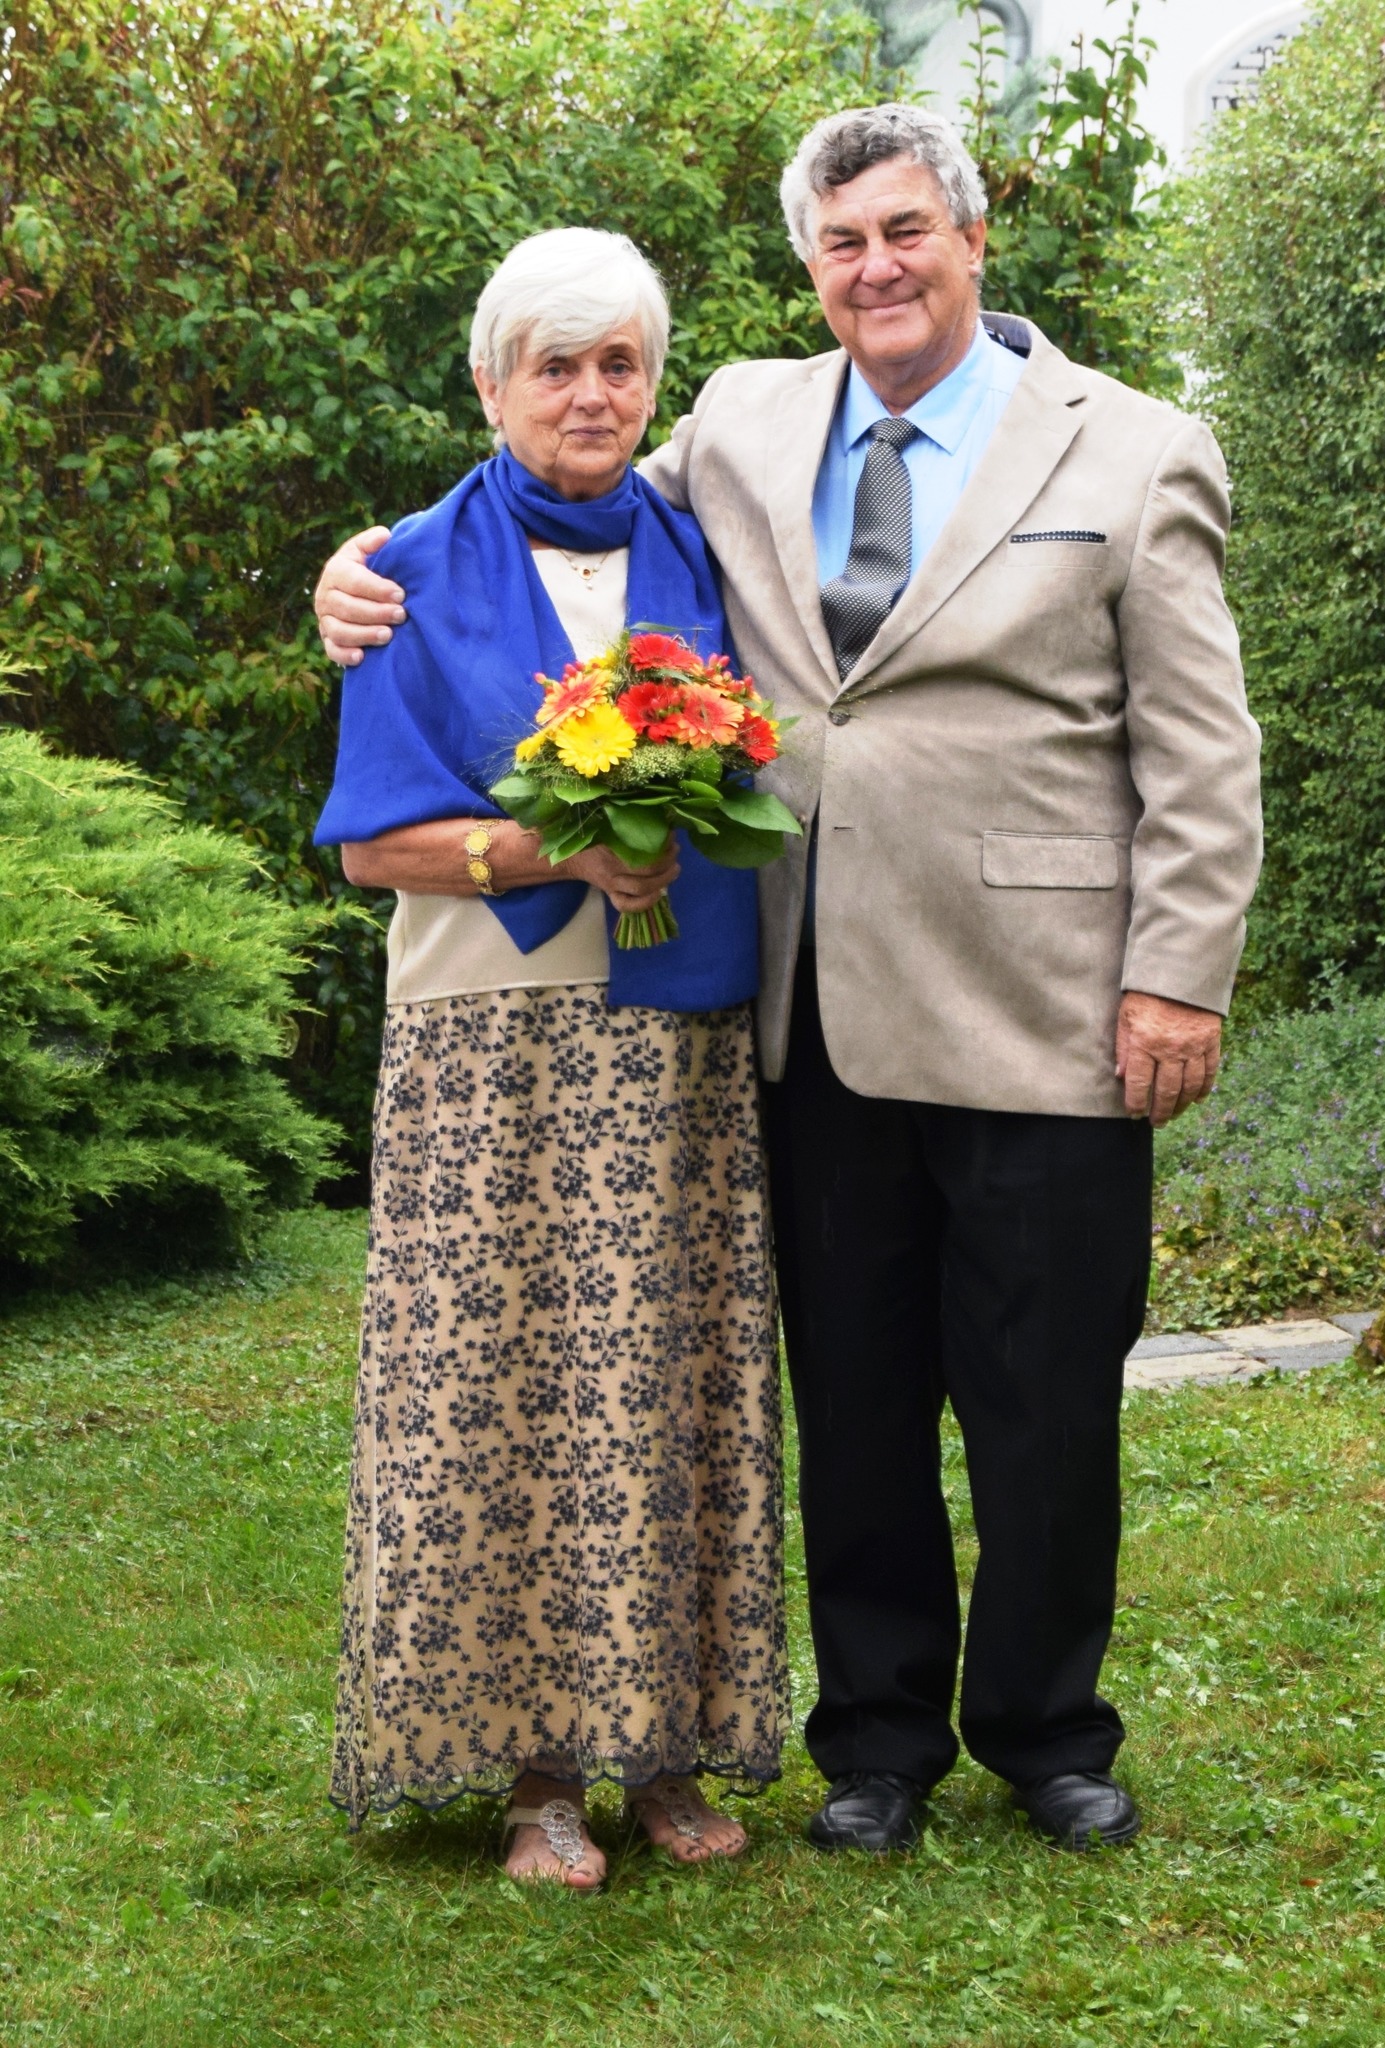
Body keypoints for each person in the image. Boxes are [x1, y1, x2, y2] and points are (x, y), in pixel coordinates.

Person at [315, 107, 1263, 1857]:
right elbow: (553, 479)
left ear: (972, 239)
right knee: (857, 1398)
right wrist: (354, 571)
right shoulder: (743, 424)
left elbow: (1205, 752)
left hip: (1047, 1005)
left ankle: (1049, 1733)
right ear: (811, 267)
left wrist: (1178, 980)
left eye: (905, 232)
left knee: (1049, 1399)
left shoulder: (1134, 449)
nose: (876, 269)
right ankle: (878, 1744)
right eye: (842, 244)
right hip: (811, 1012)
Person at [313, 227, 789, 1889]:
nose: (590, 394)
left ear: (654, 384)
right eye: (555, 365)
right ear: (489, 383)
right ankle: (534, 1781)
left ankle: (661, 1750)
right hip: (485, 1046)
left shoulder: (704, 543)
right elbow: (369, 848)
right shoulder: (404, 572)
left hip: (674, 1038)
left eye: (620, 364)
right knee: (506, 1395)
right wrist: (554, 850)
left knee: (663, 1381)